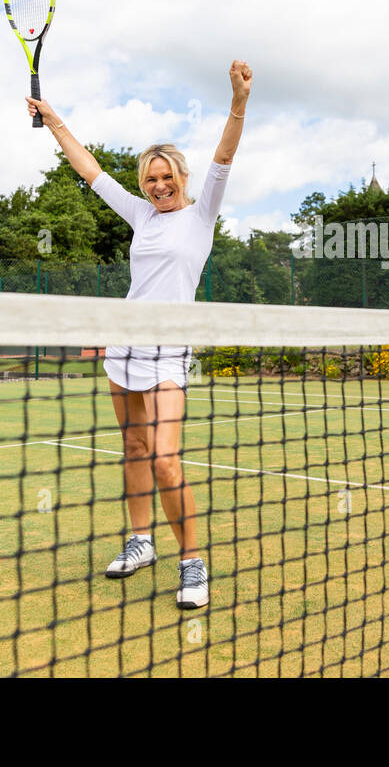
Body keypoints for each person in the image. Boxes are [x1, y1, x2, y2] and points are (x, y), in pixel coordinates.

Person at [25, 60, 252, 609]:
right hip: (124, 345)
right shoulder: (140, 216)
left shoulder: (201, 218)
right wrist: (54, 119)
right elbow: (89, 170)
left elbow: (224, 157)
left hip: (170, 352)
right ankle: (141, 541)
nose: (158, 186)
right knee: (133, 447)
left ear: (181, 177)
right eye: (150, 179)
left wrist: (238, 100)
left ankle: (192, 563)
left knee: (166, 459)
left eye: (166, 176)